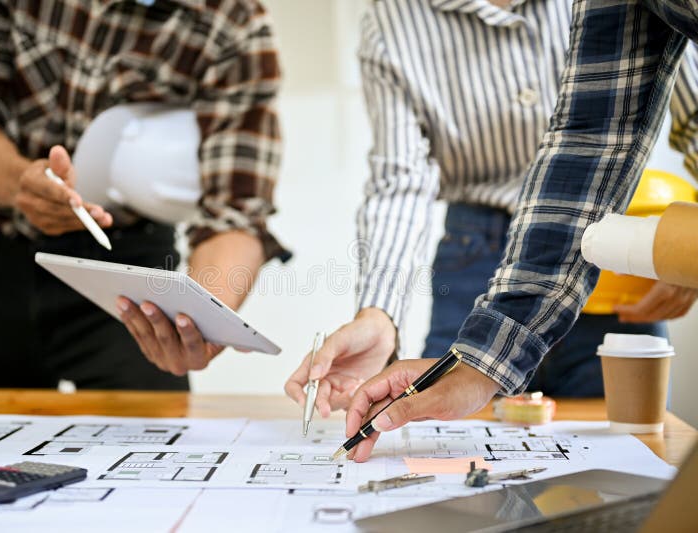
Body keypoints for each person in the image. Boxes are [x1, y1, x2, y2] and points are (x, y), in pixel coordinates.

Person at [284, 0, 698, 447]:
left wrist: (683, 243)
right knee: (446, 449)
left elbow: (681, 117)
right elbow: (400, 182)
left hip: (612, 252)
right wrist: (379, 313)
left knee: (625, 445)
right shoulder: (393, 20)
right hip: (478, 253)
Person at [0, 0, 287, 390]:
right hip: (1, 258)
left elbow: (236, 210)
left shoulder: (234, 19)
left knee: (155, 427)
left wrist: (200, 323)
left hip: (131, 275)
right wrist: (21, 183)